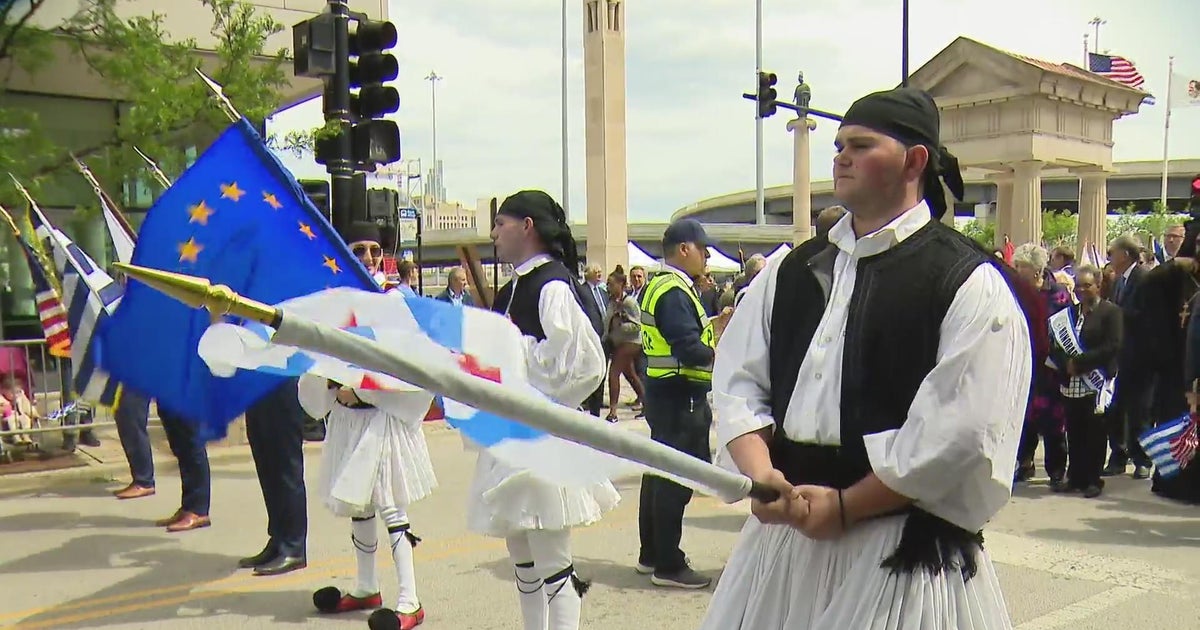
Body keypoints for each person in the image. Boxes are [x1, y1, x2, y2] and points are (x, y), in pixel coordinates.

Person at [700, 87, 1032, 629]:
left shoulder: (967, 281)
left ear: (915, 161)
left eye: (861, 144)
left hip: (896, 547)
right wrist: (762, 475)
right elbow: (738, 382)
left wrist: (848, 506)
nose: (841, 157)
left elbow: (960, 434)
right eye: (838, 146)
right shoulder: (792, 271)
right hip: (786, 543)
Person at [479, 190, 614, 630]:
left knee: (553, 556)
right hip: (511, 433)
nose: (495, 232)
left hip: (544, 434)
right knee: (521, 549)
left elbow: (585, 364)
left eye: (501, 223)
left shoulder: (552, 284)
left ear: (527, 226)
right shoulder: (512, 287)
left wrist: (511, 352)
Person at [302, 223, 437, 630]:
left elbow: (411, 366)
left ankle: (409, 600)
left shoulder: (396, 301)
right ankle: (365, 586)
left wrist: (363, 393)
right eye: (357, 249)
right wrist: (329, 383)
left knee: (390, 505)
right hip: (347, 419)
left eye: (373, 250)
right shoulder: (334, 301)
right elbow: (316, 355)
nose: (367, 258)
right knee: (359, 507)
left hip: (381, 418)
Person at [636, 219, 718, 589]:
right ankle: (669, 563)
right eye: (704, 250)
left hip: (664, 391)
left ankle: (651, 553)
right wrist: (720, 350)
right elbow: (689, 347)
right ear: (685, 249)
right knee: (676, 476)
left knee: (658, 471)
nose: (707, 257)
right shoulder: (674, 290)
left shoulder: (659, 286)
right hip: (681, 393)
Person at [1048, 265, 1121, 498]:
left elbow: (1112, 346)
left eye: (1087, 285)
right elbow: (1056, 346)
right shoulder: (1070, 313)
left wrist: (1080, 364)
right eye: (1078, 286)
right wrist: (1066, 364)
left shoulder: (1110, 312)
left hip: (1096, 382)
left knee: (1095, 433)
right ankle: (1075, 477)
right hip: (1071, 384)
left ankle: (1092, 479)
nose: (1081, 290)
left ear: (1098, 286)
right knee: (1074, 430)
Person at [601, 265, 645, 422]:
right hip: (617, 342)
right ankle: (647, 404)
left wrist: (620, 326)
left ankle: (613, 412)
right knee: (630, 375)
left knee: (614, 373)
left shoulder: (630, 302)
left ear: (620, 285)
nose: (609, 287)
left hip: (631, 342)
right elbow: (607, 322)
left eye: (611, 284)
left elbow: (637, 325)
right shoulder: (612, 302)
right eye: (608, 284)